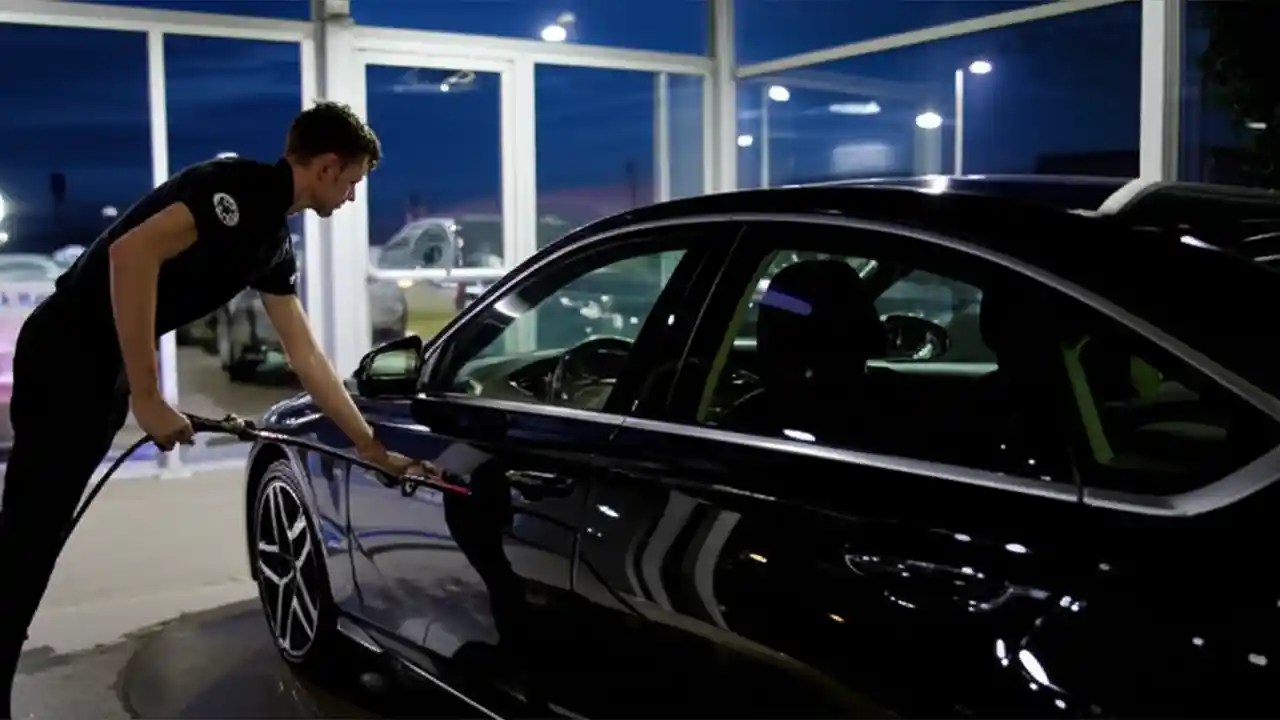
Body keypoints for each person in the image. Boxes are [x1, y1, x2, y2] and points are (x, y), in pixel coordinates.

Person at [0, 101, 421, 717]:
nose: (353, 196)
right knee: (29, 538)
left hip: (100, 370)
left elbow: (306, 356)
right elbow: (130, 256)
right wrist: (148, 396)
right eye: (353, 181)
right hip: (65, 353)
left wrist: (370, 447)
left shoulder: (271, 242)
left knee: (35, 537)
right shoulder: (232, 190)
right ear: (327, 167)